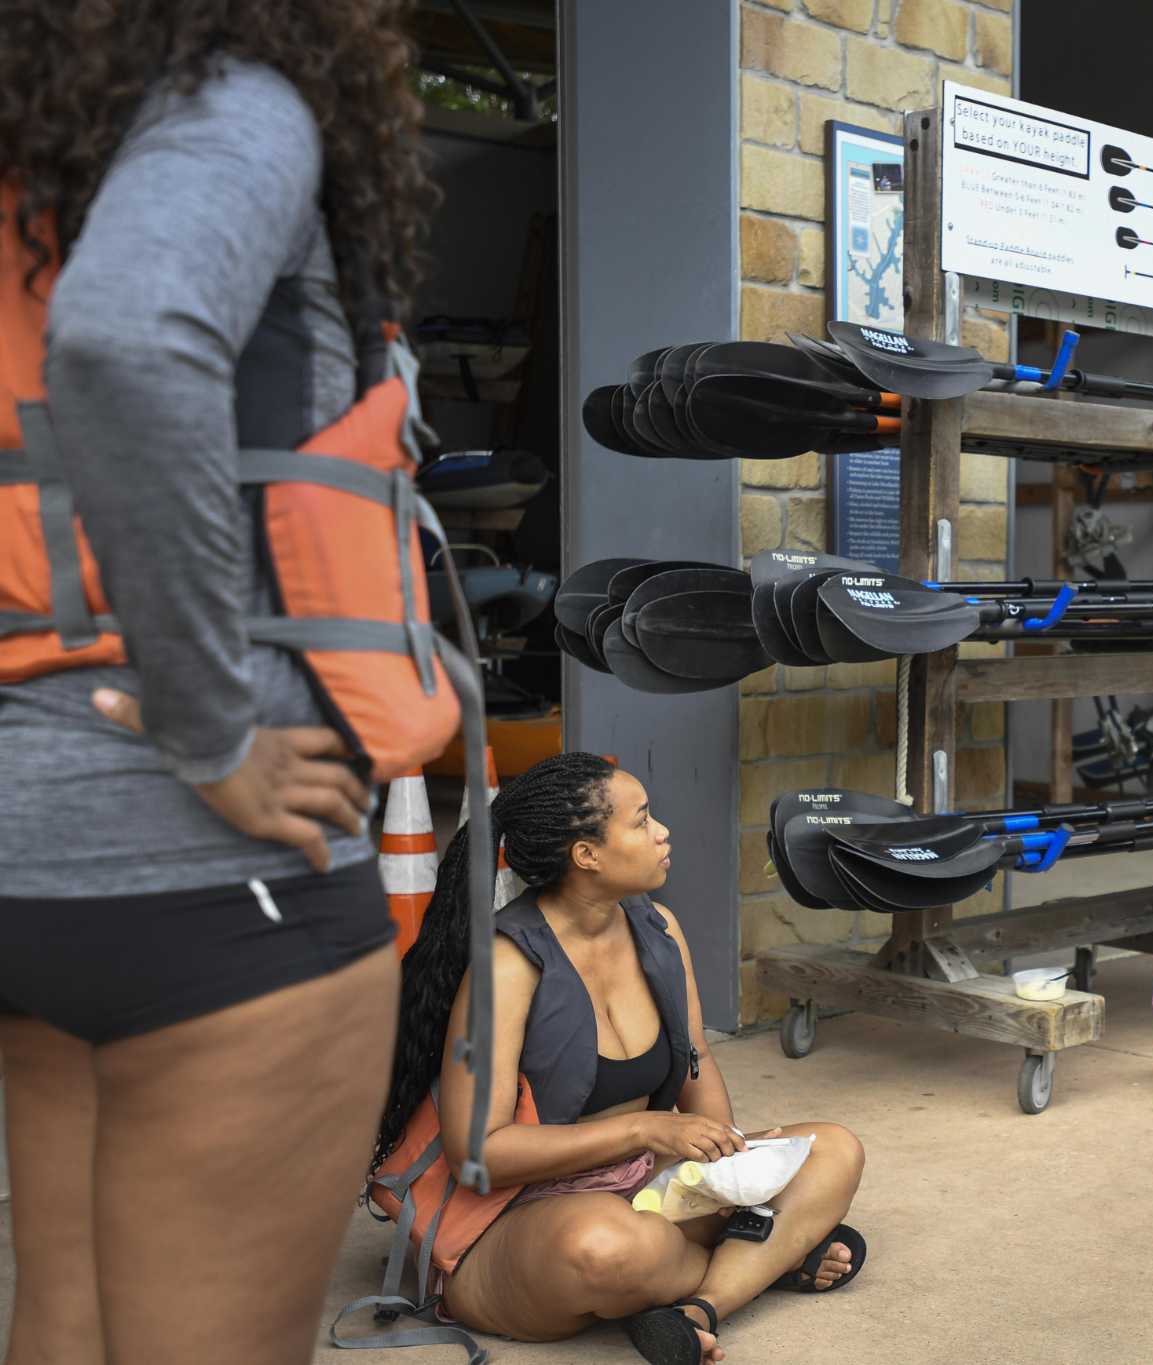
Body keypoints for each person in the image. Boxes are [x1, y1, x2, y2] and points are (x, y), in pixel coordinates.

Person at [0, 6, 461, 1361]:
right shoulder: (240, 105)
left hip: (32, 854)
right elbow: (130, 344)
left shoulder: (41, 169)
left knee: (63, 1323)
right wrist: (213, 733)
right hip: (212, 866)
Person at [366, 753, 867, 1365]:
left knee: (834, 1149)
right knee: (606, 1248)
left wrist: (731, 1167)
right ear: (587, 855)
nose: (663, 833)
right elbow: (480, 1155)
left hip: (647, 1183)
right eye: (642, 821)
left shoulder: (657, 927)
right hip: (526, 1217)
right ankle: (765, 1255)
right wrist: (644, 1127)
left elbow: (696, 1060)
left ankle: (697, 1309)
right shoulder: (508, 963)